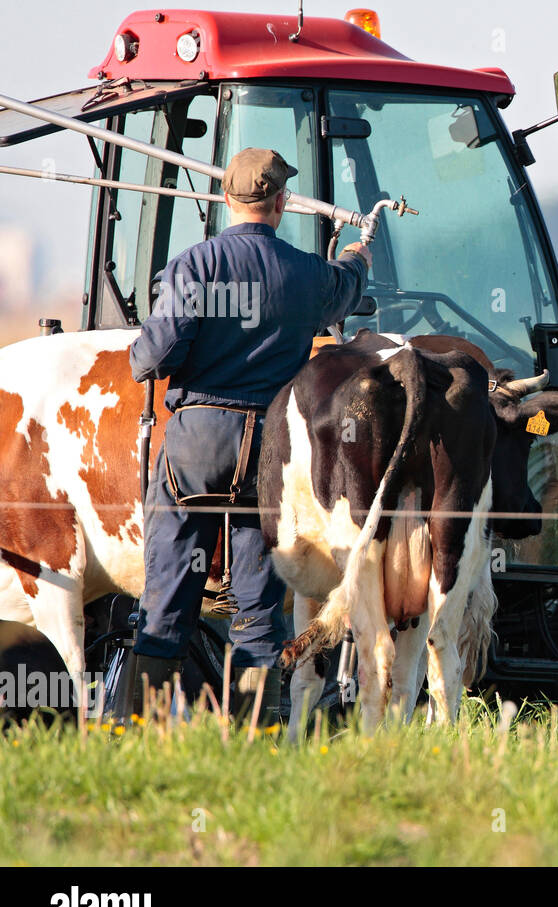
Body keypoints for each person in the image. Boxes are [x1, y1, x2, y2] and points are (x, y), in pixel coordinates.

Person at [113, 147, 372, 721]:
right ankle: (256, 733)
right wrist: (357, 258)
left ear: (226, 199)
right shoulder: (307, 273)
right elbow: (347, 287)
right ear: (281, 202)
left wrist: (146, 350)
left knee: (170, 592)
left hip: (199, 443)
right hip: (272, 451)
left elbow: (152, 357)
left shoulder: (194, 266)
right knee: (259, 607)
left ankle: (150, 727)